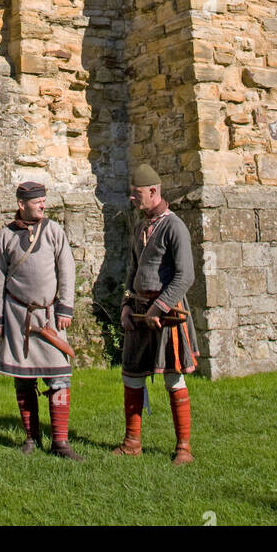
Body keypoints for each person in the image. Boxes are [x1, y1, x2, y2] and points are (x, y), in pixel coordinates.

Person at [113, 163, 199, 464]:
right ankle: (132, 443)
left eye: (137, 194)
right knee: (132, 376)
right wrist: (125, 303)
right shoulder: (140, 227)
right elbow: (132, 272)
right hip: (138, 312)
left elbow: (185, 276)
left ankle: (183, 449)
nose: (132, 199)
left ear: (153, 191)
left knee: (173, 379)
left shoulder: (174, 226)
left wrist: (158, 307)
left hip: (167, 314)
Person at [0, 181, 82, 460]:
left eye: (44, 200)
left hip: (50, 317)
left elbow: (67, 269)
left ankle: (61, 442)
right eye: (37, 201)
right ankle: (31, 437)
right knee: (23, 379)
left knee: (60, 377)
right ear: (22, 204)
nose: (43, 204)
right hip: (18, 316)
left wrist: (65, 309)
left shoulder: (54, 231)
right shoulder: (5, 236)